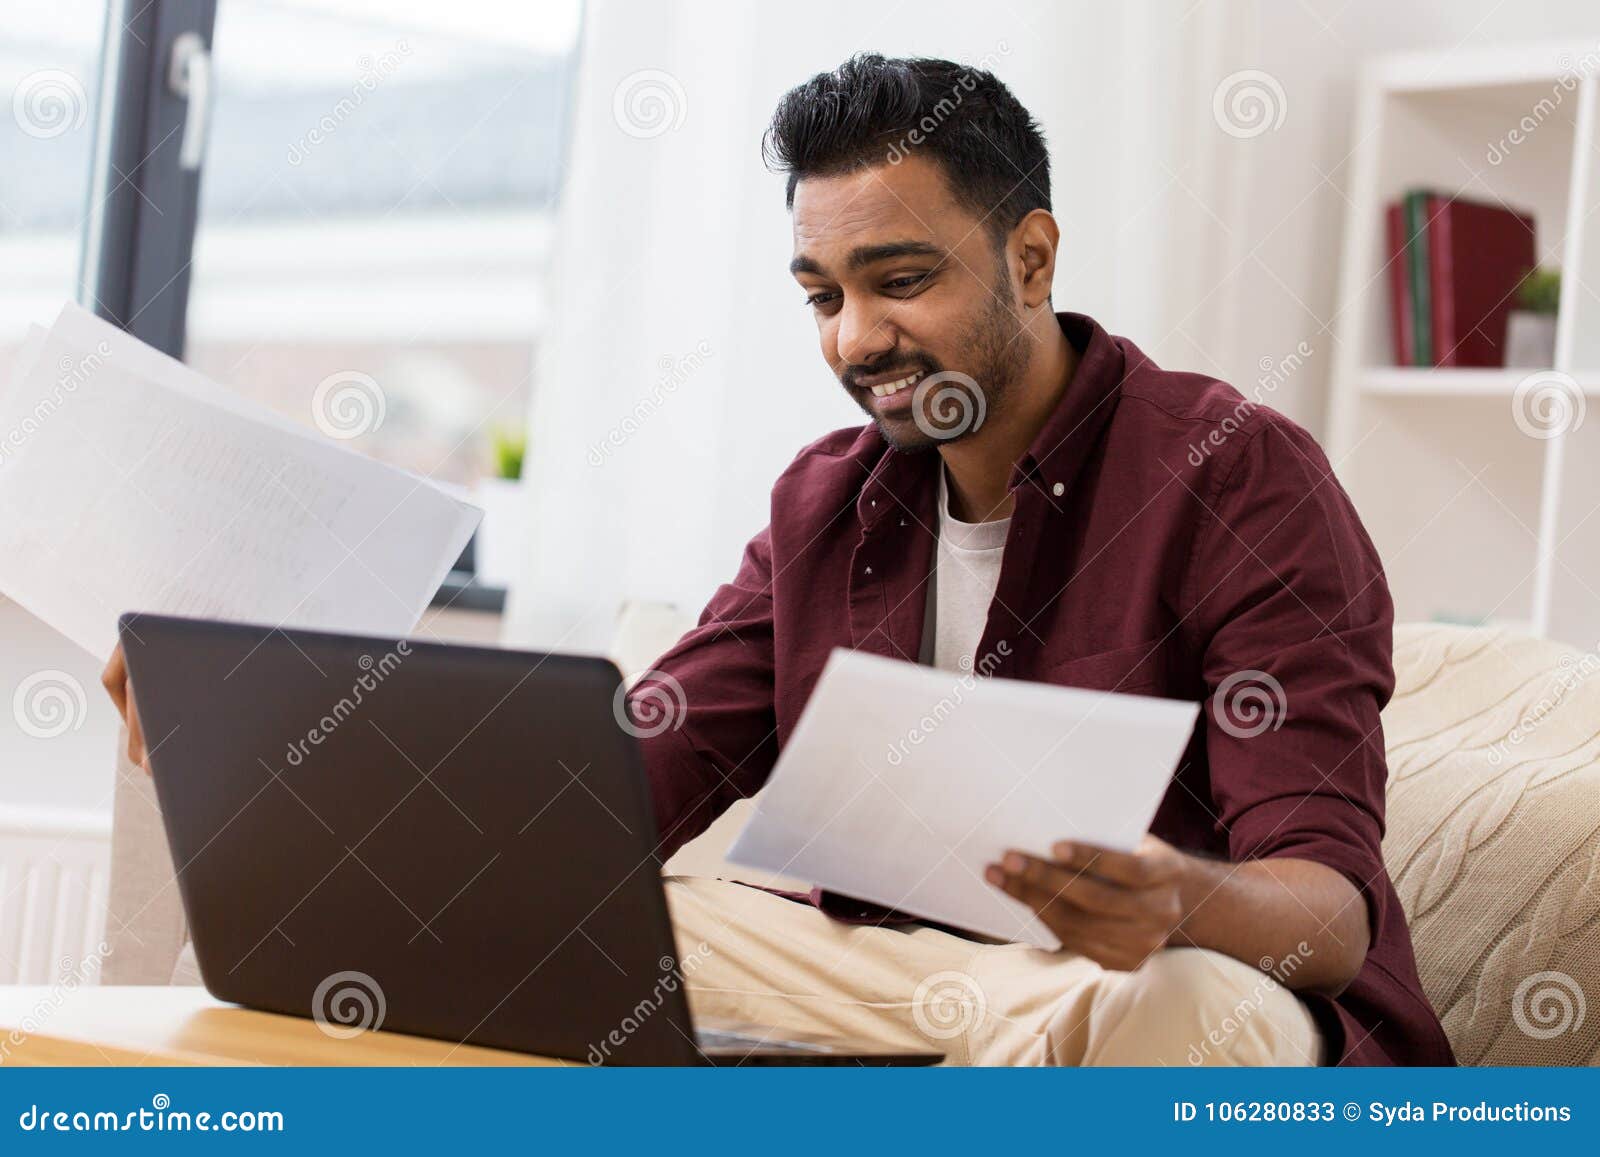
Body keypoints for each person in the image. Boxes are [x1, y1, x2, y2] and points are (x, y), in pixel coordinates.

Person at [104, 53, 1453, 1066]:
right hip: (916, 985)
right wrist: (278, 746)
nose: (857, 338)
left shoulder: (1233, 470)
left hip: (1160, 992)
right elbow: (602, 800)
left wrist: (1182, 893)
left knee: (1178, 1004)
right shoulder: (826, 507)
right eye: (823, 295)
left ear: (1030, 259)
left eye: (901, 279)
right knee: (559, 940)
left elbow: (1325, 911)